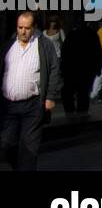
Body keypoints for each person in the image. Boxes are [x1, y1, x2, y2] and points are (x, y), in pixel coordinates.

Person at [1, 11, 63, 170]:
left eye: (27, 28)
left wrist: (50, 97)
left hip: (33, 105)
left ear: (34, 28)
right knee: (5, 144)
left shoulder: (43, 45)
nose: (22, 31)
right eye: (20, 27)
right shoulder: (9, 45)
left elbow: (55, 69)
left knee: (29, 148)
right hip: (9, 106)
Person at [60, 19, 102, 115]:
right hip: (83, 70)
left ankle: (72, 114)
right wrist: (97, 68)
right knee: (82, 95)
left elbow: (64, 52)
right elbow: (98, 53)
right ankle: (80, 115)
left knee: (71, 94)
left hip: (74, 70)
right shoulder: (92, 35)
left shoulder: (73, 34)